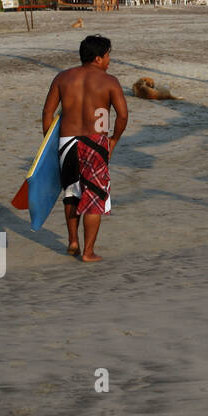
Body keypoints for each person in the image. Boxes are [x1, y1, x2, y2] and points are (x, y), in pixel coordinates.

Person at [41, 35, 128, 262]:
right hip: (95, 142)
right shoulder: (109, 81)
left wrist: (51, 145)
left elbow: (47, 114)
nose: (109, 60)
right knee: (95, 198)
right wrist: (113, 140)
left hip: (67, 141)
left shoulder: (62, 78)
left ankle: (73, 240)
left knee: (71, 193)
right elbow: (122, 115)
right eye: (108, 55)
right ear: (98, 58)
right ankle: (88, 252)